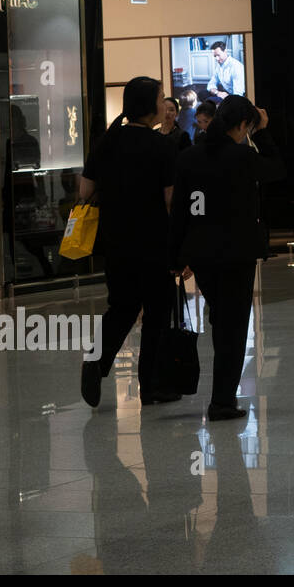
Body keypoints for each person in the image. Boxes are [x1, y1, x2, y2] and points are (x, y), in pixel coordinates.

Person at [170, 96, 286, 420]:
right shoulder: (243, 156)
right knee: (233, 327)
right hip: (237, 254)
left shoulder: (189, 158)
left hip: (201, 253)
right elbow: (277, 169)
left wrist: (176, 255)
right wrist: (263, 132)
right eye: (248, 126)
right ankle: (221, 401)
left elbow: (180, 210)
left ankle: (221, 396)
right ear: (242, 125)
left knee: (222, 318)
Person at [79, 76, 181, 409]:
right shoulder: (162, 147)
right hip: (154, 241)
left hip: (116, 239)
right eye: (161, 97)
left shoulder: (107, 142)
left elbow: (85, 192)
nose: (164, 103)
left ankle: (95, 360)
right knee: (155, 312)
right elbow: (170, 200)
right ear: (149, 104)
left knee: (122, 306)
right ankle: (149, 387)